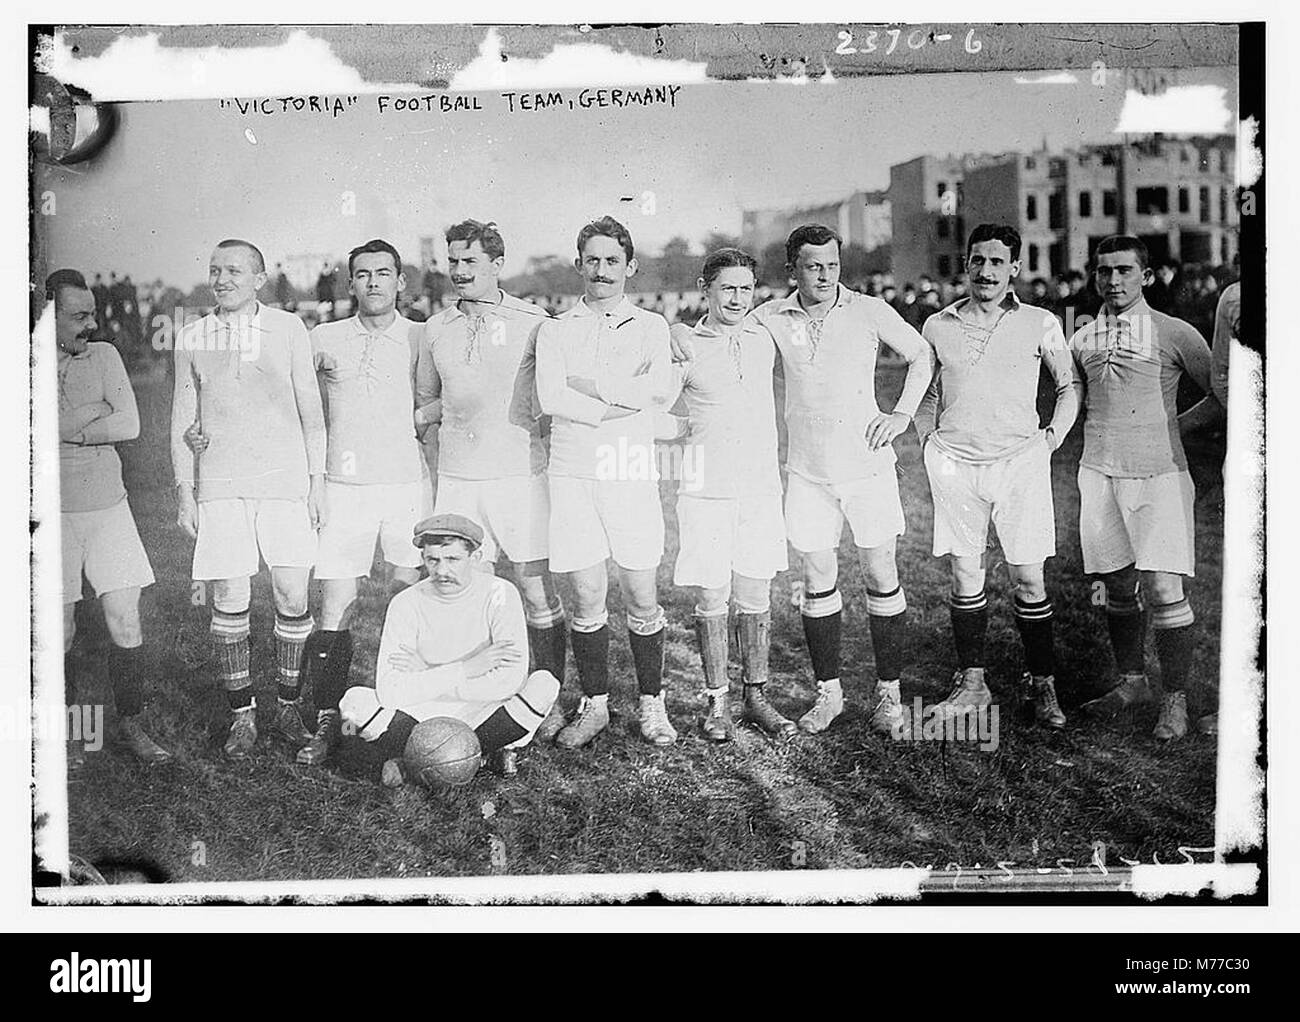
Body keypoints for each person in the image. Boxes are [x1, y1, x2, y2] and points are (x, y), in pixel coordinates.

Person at [752, 225, 932, 735]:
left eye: (832, 264)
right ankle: (828, 694)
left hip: (868, 466)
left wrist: (901, 415)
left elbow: (921, 355)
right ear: (793, 271)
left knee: (880, 575)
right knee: (817, 580)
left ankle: (889, 697)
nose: (826, 275)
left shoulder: (869, 310)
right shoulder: (771, 316)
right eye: (814, 266)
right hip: (807, 472)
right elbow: (726, 330)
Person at [914, 224, 1078, 728]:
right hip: (957, 464)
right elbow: (926, 395)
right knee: (966, 576)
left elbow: (1068, 387)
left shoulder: (1042, 322)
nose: (986, 271)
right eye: (977, 261)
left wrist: (1050, 439)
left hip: (1019, 464)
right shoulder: (937, 324)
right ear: (965, 265)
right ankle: (973, 685)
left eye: (996, 262)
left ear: (1015, 268)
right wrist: (927, 444)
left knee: (1029, 578)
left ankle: (1042, 686)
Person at [171, 239, 326, 759]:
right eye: (215, 270)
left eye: (234, 271)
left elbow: (311, 410)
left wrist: (317, 482)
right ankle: (243, 716)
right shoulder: (193, 334)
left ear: (259, 278)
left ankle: (286, 706)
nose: (222, 279)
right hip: (220, 485)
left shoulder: (286, 329)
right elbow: (180, 421)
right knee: (230, 599)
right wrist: (184, 493)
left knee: (291, 597)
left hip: (284, 485)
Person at [415, 220, 567, 742]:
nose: (459, 271)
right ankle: (471, 695)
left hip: (519, 474)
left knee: (534, 589)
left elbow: (554, 398)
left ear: (497, 264)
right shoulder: (435, 328)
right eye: (452, 262)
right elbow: (426, 405)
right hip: (458, 477)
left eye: (470, 262)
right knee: (461, 590)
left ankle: (547, 698)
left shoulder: (534, 321)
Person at [534, 216, 676, 748]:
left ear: (630, 266)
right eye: (591, 260)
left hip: (629, 470)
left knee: (641, 594)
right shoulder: (555, 328)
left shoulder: (652, 327)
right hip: (571, 472)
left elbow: (657, 391)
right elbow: (552, 399)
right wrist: (619, 399)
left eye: (611, 260)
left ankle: (652, 706)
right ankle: (594, 705)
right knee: (586, 597)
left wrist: (589, 388)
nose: (601, 270)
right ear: (578, 265)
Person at [1068, 235, 1217, 741]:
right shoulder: (1083, 337)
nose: (1113, 281)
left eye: (1125, 271)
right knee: (1115, 584)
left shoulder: (1176, 332)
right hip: (1099, 471)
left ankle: (1174, 699)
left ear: (1145, 276)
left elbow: (1222, 396)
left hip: (1160, 475)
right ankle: (1133, 682)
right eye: (1104, 272)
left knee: (1161, 586)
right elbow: (1072, 399)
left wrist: (1176, 428)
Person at [661, 248, 796, 740]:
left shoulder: (765, 335)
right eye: (727, 289)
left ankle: (755, 697)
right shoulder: (687, 344)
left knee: (756, 590)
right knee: (713, 593)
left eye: (745, 288)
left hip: (759, 487)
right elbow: (654, 408)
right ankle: (717, 702)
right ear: (705, 288)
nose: (737, 298)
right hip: (705, 490)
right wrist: (683, 427)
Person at [51, 268, 171, 765]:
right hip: (51, 516)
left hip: (110, 507)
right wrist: (91, 411)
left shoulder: (105, 355)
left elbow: (130, 422)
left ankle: (131, 726)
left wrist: (66, 429)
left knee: (126, 621)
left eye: (93, 313)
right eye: (78, 316)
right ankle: (63, 735)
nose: (91, 325)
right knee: (58, 633)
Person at [337, 514, 560, 782]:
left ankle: (416, 761)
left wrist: (429, 672)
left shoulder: (501, 594)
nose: (442, 571)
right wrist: (466, 668)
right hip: (421, 711)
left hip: (484, 711)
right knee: (351, 704)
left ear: (475, 558)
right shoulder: (406, 603)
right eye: (433, 560)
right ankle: (479, 757)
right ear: (423, 559)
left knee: (545, 685)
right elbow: (389, 692)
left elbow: (510, 681)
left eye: (453, 560)